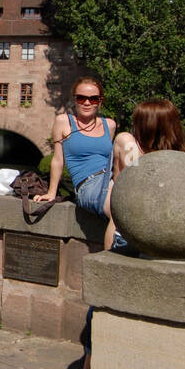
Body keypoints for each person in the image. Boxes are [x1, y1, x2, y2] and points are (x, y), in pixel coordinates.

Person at [46, 99, 185, 369]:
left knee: (101, 312)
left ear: (143, 124)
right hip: (164, 247)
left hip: (128, 240)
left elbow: (124, 200)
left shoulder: (124, 141)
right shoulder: (179, 158)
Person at [34, 74, 122, 247]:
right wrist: (52, 192)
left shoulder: (109, 125)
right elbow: (58, 160)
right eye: (81, 98)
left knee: (125, 140)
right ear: (74, 100)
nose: (87, 103)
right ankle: (111, 260)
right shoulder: (64, 122)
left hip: (111, 180)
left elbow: (113, 160)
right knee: (120, 210)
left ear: (100, 101)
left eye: (93, 99)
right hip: (87, 184)